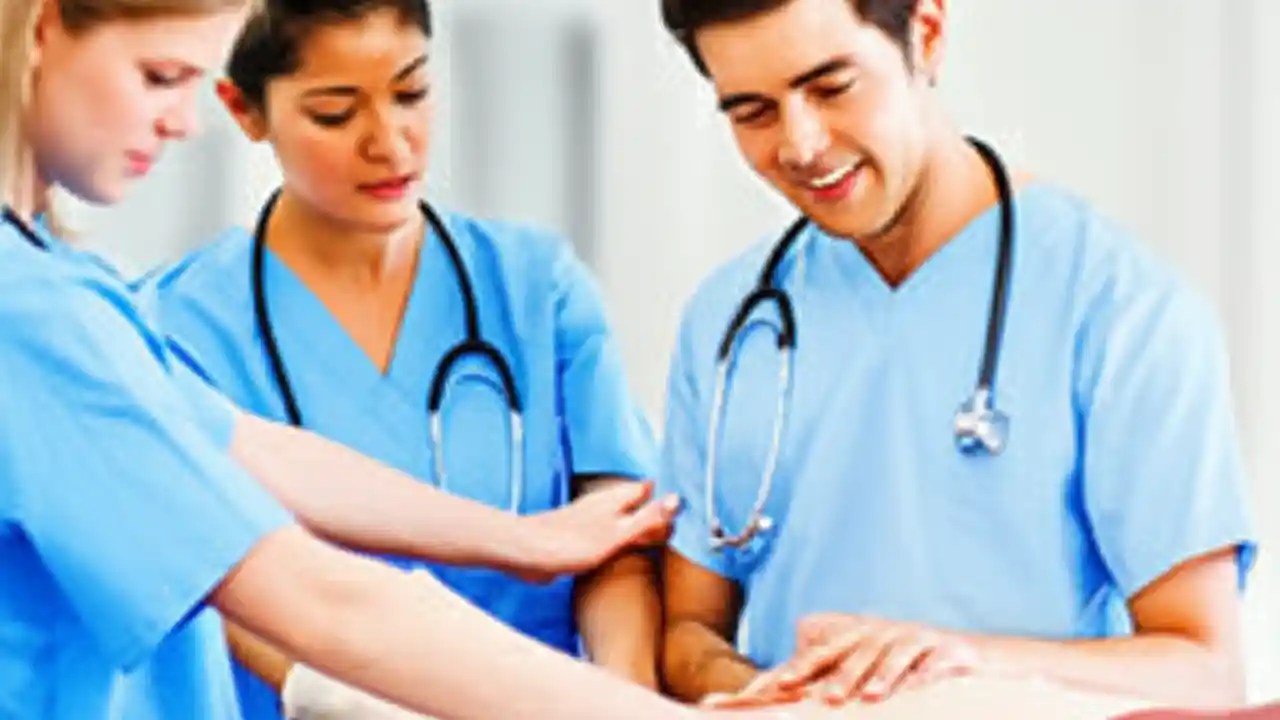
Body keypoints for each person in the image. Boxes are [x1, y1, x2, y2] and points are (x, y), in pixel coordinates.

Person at [0, 0, 788, 718]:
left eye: (411, 93)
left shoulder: (57, 287)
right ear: (40, 28)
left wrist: (521, 540)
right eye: (161, 77)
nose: (184, 123)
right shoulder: (38, 312)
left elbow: (247, 447)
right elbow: (317, 602)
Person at [653, 0, 1257, 711]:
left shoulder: (1120, 308)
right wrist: (784, 696)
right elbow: (688, 631)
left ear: (927, 34)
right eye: (752, 112)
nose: (801, 144)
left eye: (832, 87)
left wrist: (962, 666)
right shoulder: (728, 321)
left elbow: (1204, 668)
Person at [143, 0, 665, 716]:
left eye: (412, 93)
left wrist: (627, 700)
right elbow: (205, 568)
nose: (391, 145)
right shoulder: (177, 327)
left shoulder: (533, 289)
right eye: (334, 113)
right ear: (243, 110)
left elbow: (616, 532)